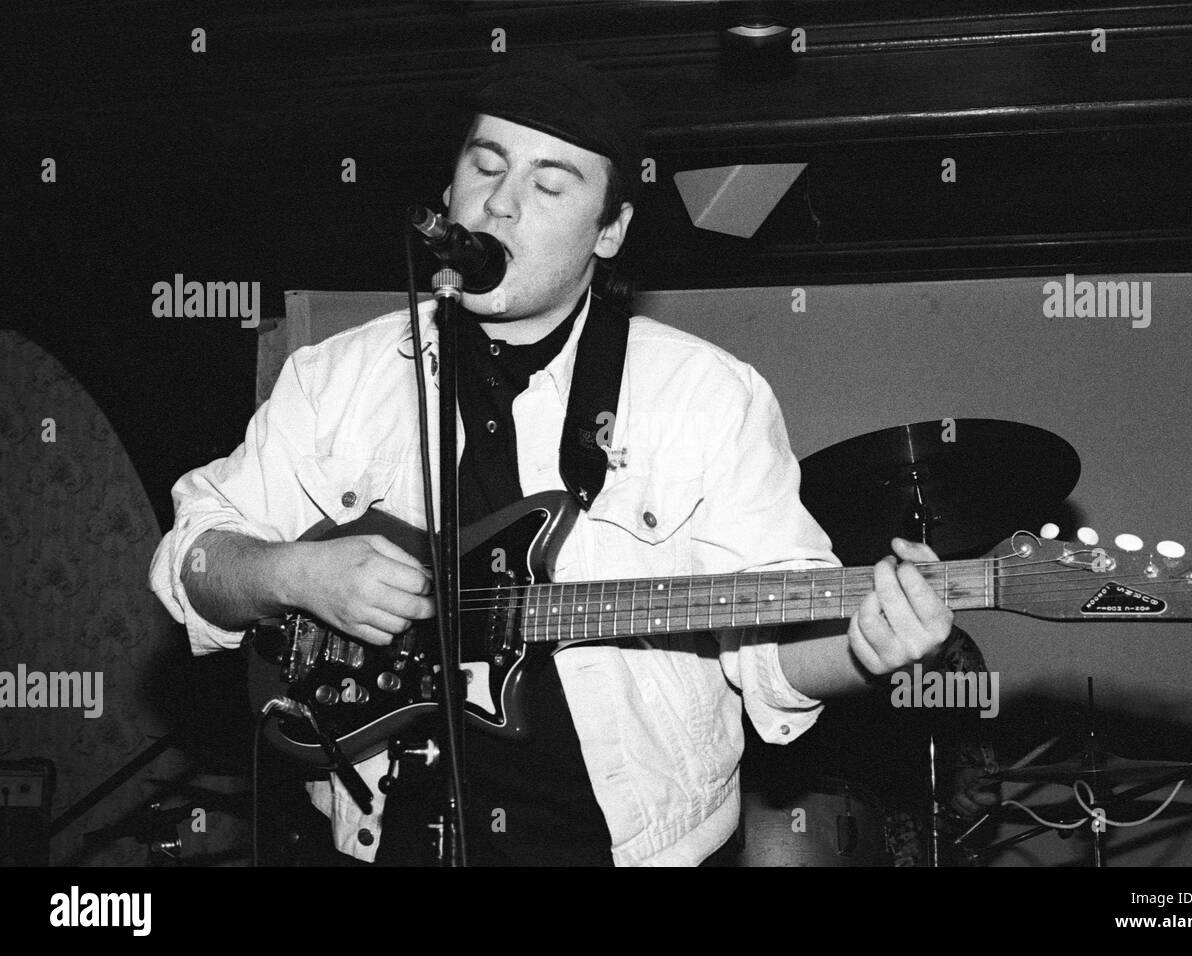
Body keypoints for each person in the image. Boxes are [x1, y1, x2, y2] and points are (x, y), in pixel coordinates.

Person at [148, 51, 967, 866]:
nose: (500, 205)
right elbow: (192, 557)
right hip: (386, 839)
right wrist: (291, 576)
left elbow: (772, 655)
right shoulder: (334, 377)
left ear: (609, 231)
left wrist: (868, 650)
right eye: (486, 167)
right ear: (448, 192)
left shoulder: (707, 394)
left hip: (631, 848)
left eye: (548, 185)